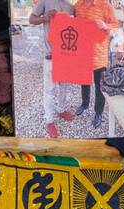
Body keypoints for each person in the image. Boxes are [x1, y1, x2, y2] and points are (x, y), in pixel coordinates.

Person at [29, 0, 75, 138]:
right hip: (51, 55)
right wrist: (44, 18)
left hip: (66, 55)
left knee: (64, 86)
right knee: (49, 89)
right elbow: (31, 19)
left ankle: (61, 110)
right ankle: (49, 121)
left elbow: (79, 26)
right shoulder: (45, 1)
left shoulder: (70, 7)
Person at [73, 0, 120, 126]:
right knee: (84, 81)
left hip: (99, 56)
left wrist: (106, 25)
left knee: (99, 87)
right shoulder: (78, 5)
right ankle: (84, 103)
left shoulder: (105, 5)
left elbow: (116, 25)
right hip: (83, 54)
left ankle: (98, 112)